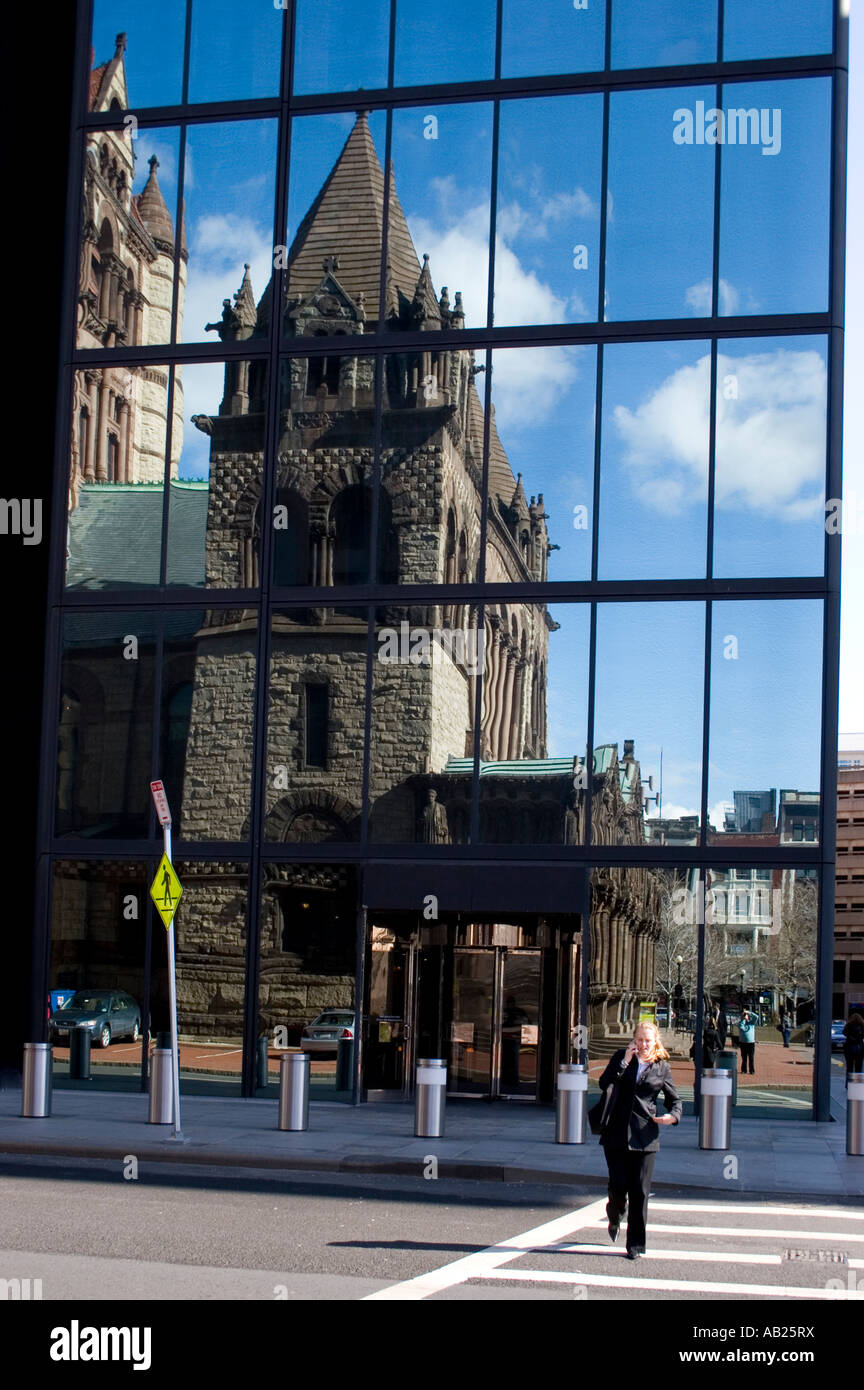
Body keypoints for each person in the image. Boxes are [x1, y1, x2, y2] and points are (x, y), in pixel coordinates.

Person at [596, 1021, 682, 1261]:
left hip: (645, 1135)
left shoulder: (661, 1067)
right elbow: (604, 1084)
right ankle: (615, 1214)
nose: (643, 1044)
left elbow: (675, 1100)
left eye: (648, 1040)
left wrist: (672, 1117)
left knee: (640, 1192)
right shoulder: (621, 1059)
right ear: (633, 1040)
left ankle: (635, 1244)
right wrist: (623, 1061)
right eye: (640, 1040)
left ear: (655, 1042)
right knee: (618, 1186)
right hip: (616, 1133)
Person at [843, 1013, 864, 1083]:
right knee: (858, 1067)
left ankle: (848, 1083)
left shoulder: (849, 1025)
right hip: (859, 1047)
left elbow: (844, 1033)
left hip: (849, 1047)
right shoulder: (862, 1025)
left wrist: (851, 1037)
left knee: (849, 1067)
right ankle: (857, 1083)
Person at [738, 1009, 756, 1075]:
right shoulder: (740, 1023)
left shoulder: (752, 1023)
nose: (746, 1016)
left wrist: (749, 1012)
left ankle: (752, 1070)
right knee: (744, 1058)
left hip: (751, 1043)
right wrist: (743, 1019)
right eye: (744, 1015)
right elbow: (742, 1028)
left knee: (751, 1058)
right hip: (743, 1043)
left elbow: (756, 1017)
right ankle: (744, 1070)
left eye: (746, 1015)